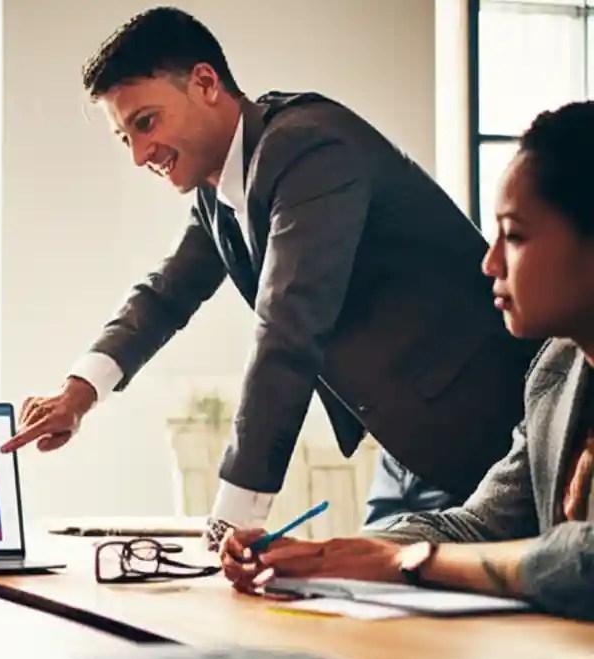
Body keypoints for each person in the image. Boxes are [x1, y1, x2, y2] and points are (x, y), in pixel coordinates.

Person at [0, 6, 540, 548]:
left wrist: (232, 515)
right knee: (360, 600)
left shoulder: (307, 149)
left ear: (206, 83)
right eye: (126, 139)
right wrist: (76, 396)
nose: (141, 155)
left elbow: (288, 327)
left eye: (146, 123)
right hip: (408, 445)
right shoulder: (221, 191)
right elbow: (164, 296)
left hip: (488, 433)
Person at [221, 102, 594, 621]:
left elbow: (585, 559)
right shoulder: (556, 372)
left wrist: (409, 560)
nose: (490, 262)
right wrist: (326, 555)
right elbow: (482, 525)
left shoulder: (309, 141)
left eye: (515, 235)